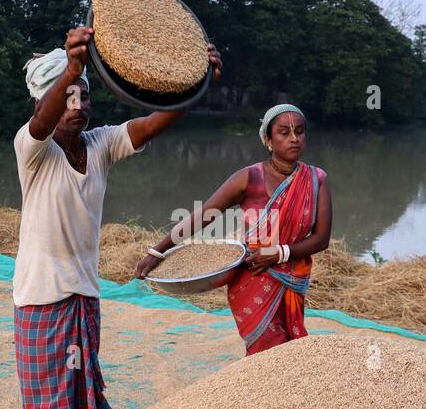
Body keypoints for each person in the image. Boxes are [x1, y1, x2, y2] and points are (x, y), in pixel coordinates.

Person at [14, 25, 222, 409]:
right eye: (68, 96)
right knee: (43, 404)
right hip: (40, 298)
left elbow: (149, 125)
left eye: (84, 96)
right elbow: (40, 124)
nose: (78, 106)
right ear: (45, 102)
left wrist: (195, 84)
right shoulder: (33, 150)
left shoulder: (100, 144)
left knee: (71, 400)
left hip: (83, 297)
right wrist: (73, 68)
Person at [137, 103, 331, 355]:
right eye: (284, 133)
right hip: (253, 275)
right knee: (269, 347)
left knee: (290, 351)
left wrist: (280, 253)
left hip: (292, 278)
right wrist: (158, 251)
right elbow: (203, 215)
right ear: (268, 140)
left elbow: (322, 238)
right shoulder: (249, 178)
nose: (294, 139)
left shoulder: (316, 180)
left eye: (300, 132)